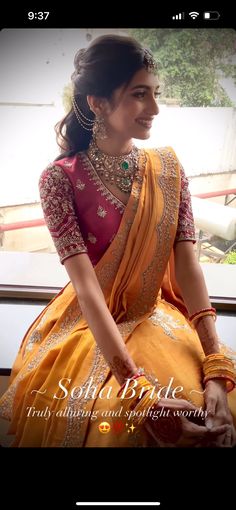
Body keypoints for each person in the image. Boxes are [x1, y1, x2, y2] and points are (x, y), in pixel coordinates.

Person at [0, 34, 235, 448]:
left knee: (215, 403)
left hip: (155, 314)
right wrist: (138, 392)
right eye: (139, 94)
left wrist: (216, 365)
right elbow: (88, 289)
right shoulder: (60, 180)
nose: (155, 109)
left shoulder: (167, 167)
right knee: (118, 426)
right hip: (89, 326)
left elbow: (187, 265)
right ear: (97, 102)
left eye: (155, 93)